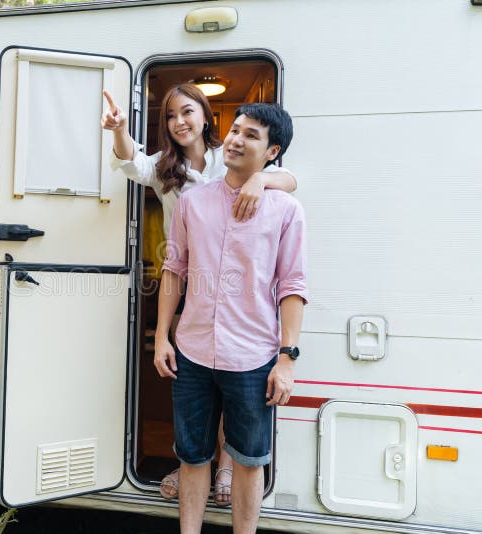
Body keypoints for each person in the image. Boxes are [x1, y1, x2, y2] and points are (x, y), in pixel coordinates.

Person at [102, 84, 297, 505]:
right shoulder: (163, 168)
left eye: (188, 112)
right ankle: (196, 464)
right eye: (170, 116)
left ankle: (227, 465)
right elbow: (129, 161)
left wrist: (260, 179)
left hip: (237, 286)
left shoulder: (226, 157)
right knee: (200, 380)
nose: (179, 123)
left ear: (207, 116)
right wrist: (118, 130)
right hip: (186, 279)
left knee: (234, 372)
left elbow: (292, 178)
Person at [154, 103, 307, 533]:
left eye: (251, 135)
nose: (237, 140)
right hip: (194, 351)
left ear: (272, 150)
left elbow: (293, 287)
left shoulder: (287, 211)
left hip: (254, 357)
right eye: (235, 130)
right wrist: (163, 337)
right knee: (192, 456)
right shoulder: (192, 202)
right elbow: (174, 269)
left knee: (248, 460)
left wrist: (287, 358)